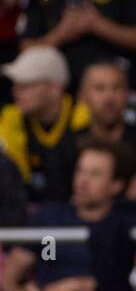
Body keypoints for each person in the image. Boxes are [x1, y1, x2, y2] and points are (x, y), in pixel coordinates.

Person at [0, 140, 136, 291]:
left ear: (116, 185)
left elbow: (132, 284)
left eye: (95, 174)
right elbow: (8, 281)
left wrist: (79, 286)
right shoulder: (48, 219)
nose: (82, 181)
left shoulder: (125, 226)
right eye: (80, 171)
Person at [70, 61, 136, 219]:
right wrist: (126, 199)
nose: (109, 97)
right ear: (83, 96)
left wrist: (93, 200)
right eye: (99, 88)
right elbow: (58, 202)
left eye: (116, 88)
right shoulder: (69, 145)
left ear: (128, 95)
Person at [0, 46, 89, 204]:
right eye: (16, 84)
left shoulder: (83, 118)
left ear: (54, 89)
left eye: (26, 85)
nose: (16, 91)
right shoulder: (12, 118)